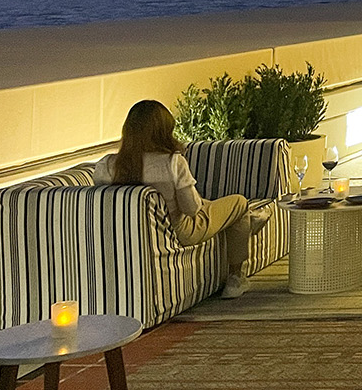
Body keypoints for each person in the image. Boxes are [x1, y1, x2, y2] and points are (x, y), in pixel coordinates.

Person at [93, 100, 261, 299]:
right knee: (239, 203)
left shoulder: (107, 166)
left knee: (209, 205)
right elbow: (191, 209)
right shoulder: (172, 162)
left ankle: (252, 219)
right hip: (179, 231)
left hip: (130, 233)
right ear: (163, 131)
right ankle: (235, 278)